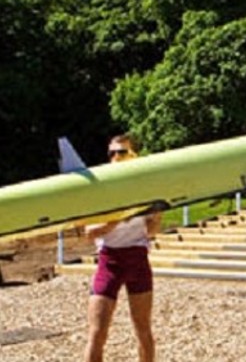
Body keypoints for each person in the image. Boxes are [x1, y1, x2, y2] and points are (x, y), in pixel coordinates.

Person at [84, 135, 161, 362]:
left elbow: (152, 230)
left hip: (137, 259)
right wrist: (115, 220)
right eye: (111, 153)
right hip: (109, 261)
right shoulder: (101, 189)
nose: (115, 157)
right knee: (97, 333)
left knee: (143, 330)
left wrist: (157, 216)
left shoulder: (143, 188)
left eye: (122, 152)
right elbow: (89, 232)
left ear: (134, 155)